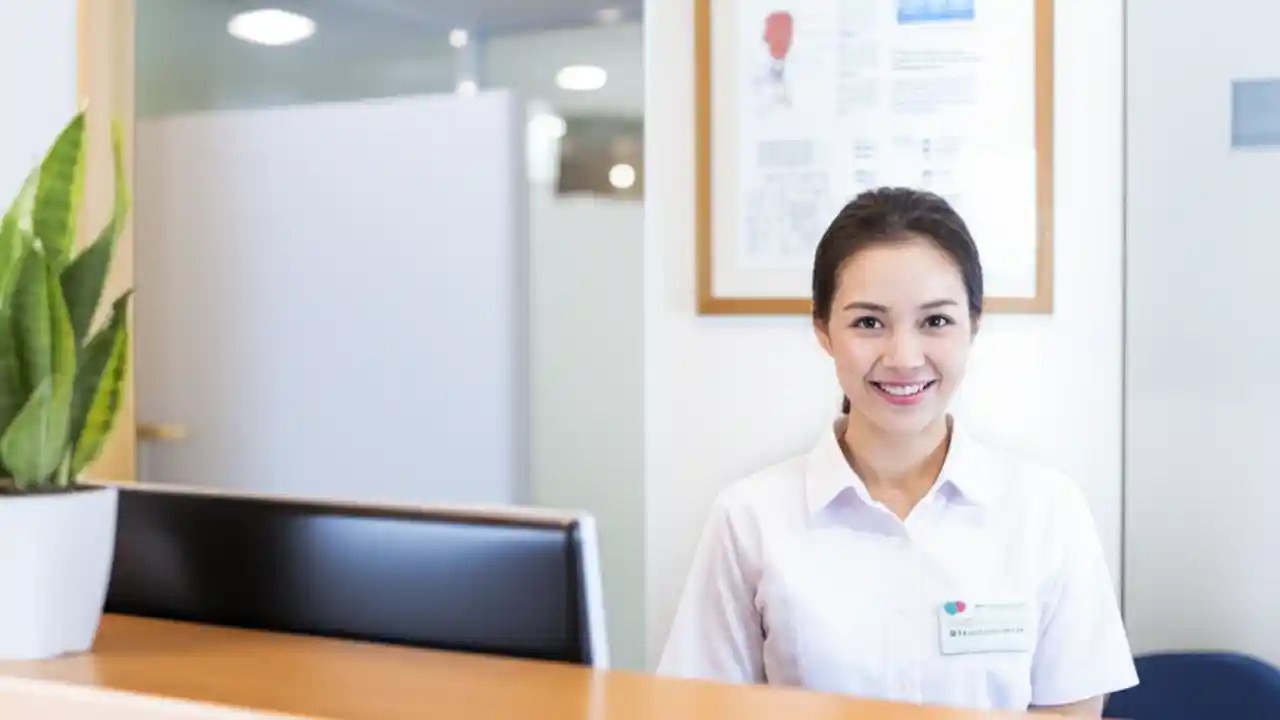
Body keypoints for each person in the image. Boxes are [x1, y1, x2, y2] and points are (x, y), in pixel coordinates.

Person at [657, 188, 1138, 716]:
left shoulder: (1047, 508)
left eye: (935, 321)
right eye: (868, 322)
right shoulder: (750, 517)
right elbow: (696, 708)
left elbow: (1072, 709)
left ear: (974, 324)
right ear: (823, 329)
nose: (904, 358)